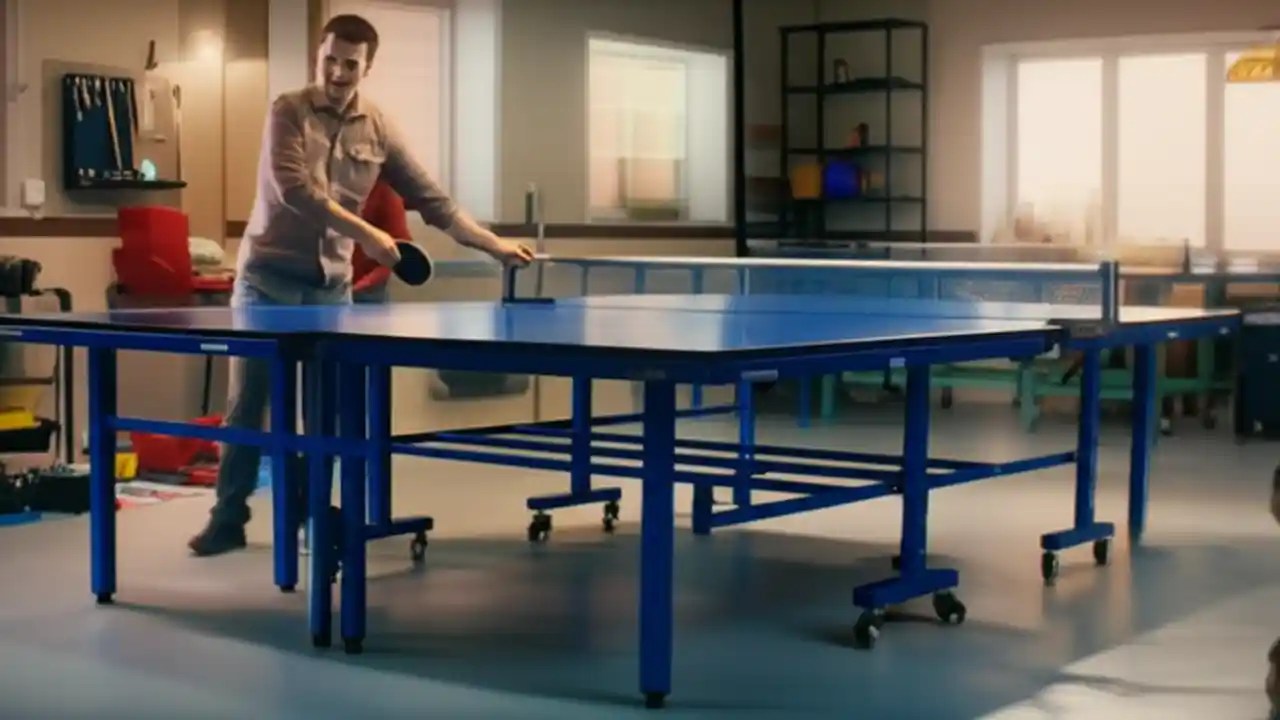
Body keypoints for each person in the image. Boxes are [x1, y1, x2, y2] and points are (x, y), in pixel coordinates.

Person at [189, 13, 533, 556]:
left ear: (367, 67)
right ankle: (228, 516)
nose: (338, 71)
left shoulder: (379, 128)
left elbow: (434, 201)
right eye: (330, 58)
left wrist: (492, 244)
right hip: (267, 282)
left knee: (320, 412)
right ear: (318, 56)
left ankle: (308, 520)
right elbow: (294, 191)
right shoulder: (287, 111)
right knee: (248, 401)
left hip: (330, 289)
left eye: (351, 63)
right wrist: (369, 234)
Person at [352, 175, 406, 304]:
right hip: (320, 284)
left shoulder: (383, 189)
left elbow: (401, 245)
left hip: (366, 292)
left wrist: (369, 281)